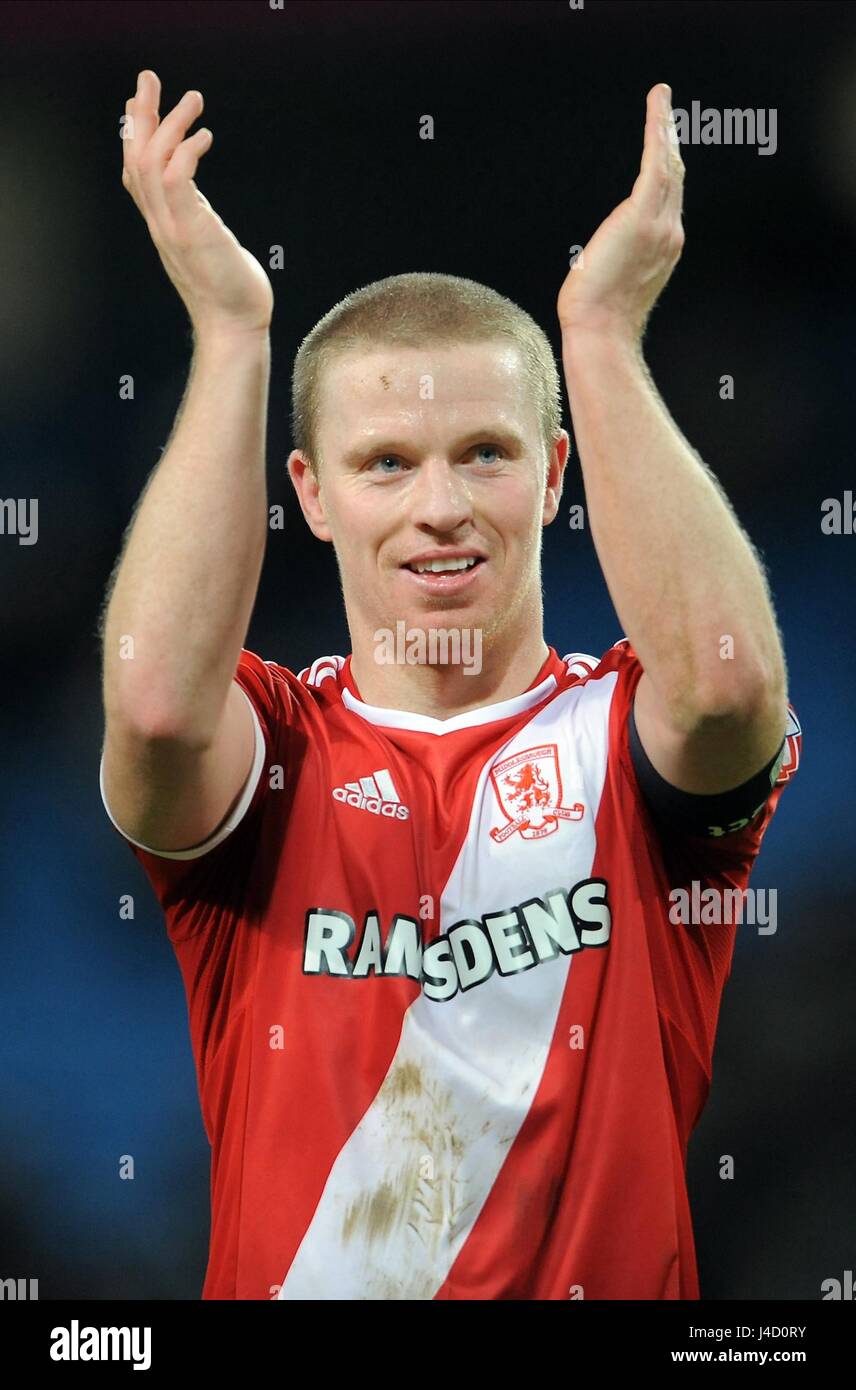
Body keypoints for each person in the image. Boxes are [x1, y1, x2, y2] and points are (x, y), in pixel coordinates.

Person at [99, 72, 801, 1300]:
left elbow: (728, 694)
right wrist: (227, 335)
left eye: (486, 451)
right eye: (386, 463)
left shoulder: (623, 739)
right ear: (310, 494)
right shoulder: (273, 749)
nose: (440, 507)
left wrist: (600, 336)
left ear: (553, 476)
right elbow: (154, 706)